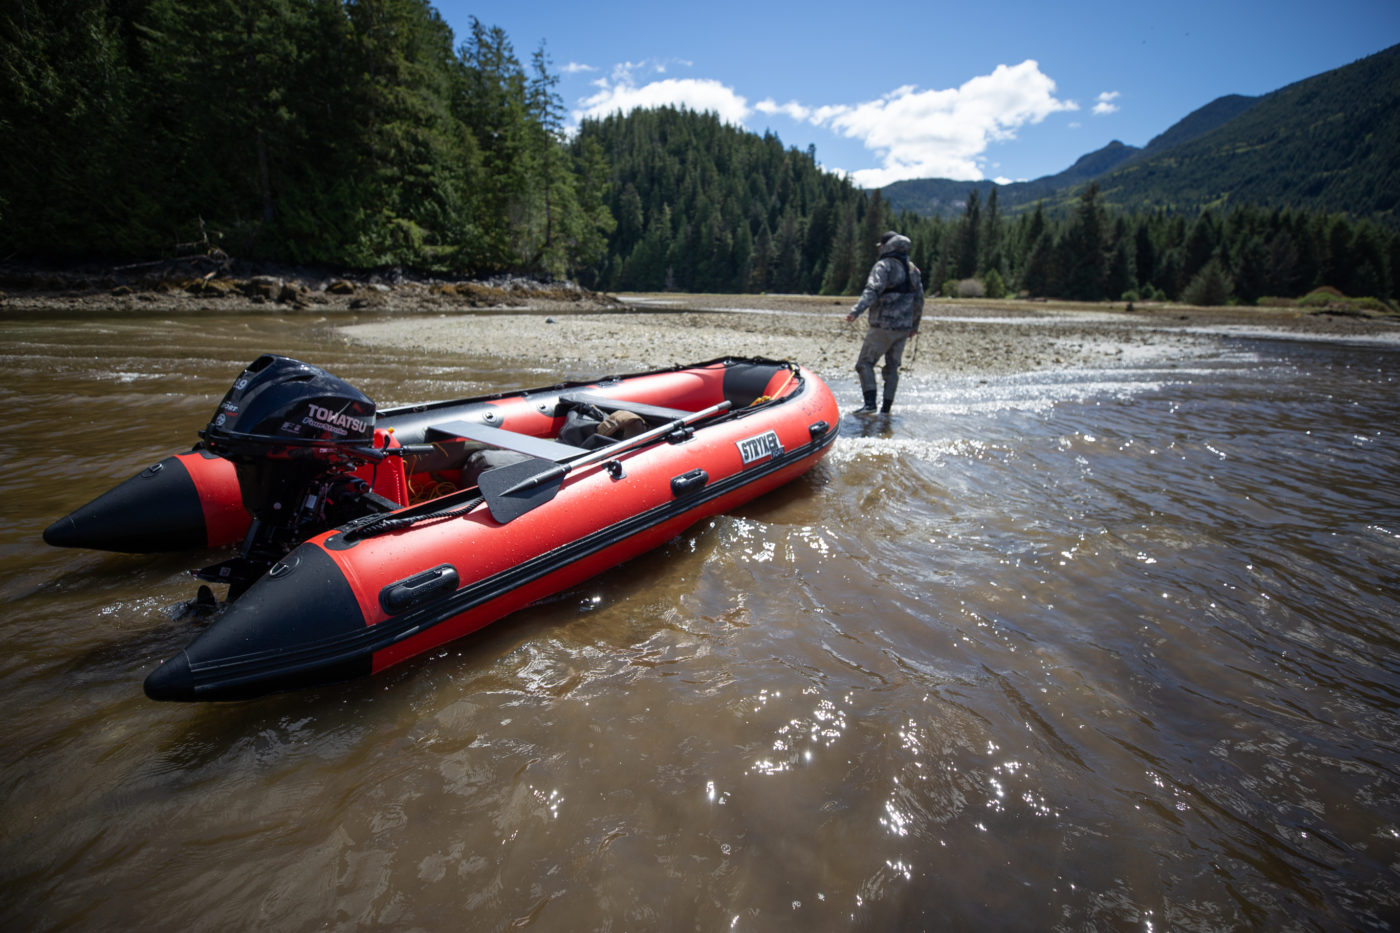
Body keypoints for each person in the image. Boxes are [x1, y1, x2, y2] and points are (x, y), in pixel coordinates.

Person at [844, 231, 924, 414]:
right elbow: (919, 300)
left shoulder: (883, 266)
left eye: (881, 245)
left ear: (887, 246)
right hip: (903, 329)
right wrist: (914, 326)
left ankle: (869, 405)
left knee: (864, 363)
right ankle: (886, 410)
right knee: (892, 368)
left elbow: (872, 289)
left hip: (882, 326)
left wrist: (855, 311)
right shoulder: (913, 269)